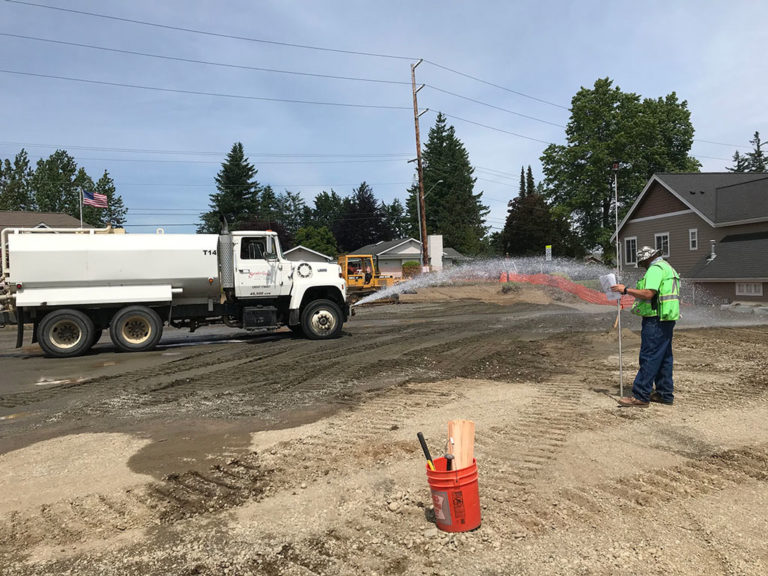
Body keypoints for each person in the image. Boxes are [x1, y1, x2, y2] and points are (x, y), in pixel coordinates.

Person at [610, 246, 681, 408]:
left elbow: (649, 293)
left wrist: (625, 290)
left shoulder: (655, 269)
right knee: (664, 357)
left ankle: (640, 395)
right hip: (667, 317)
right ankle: (664, 394)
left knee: (649, 356)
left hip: (655, 319)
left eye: (642, 262)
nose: (642, 265)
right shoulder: (667, 268)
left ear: (648, 258)